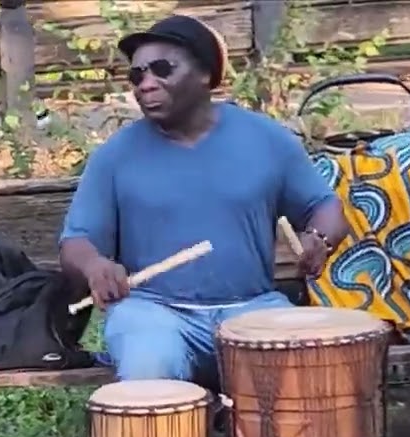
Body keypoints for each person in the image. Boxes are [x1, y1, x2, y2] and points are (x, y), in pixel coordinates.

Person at [58, 14, 348, 384]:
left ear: (205, 75)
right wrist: (94, 266)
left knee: (304, 372)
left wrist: (320, 240)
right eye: (137, 75)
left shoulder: (266, 139)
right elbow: (75, 242)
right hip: (154, 310)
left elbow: (324, 207)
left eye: (162, 69)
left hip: (252, 307)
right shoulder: (115, 155)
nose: (146, 84)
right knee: (149, 366)